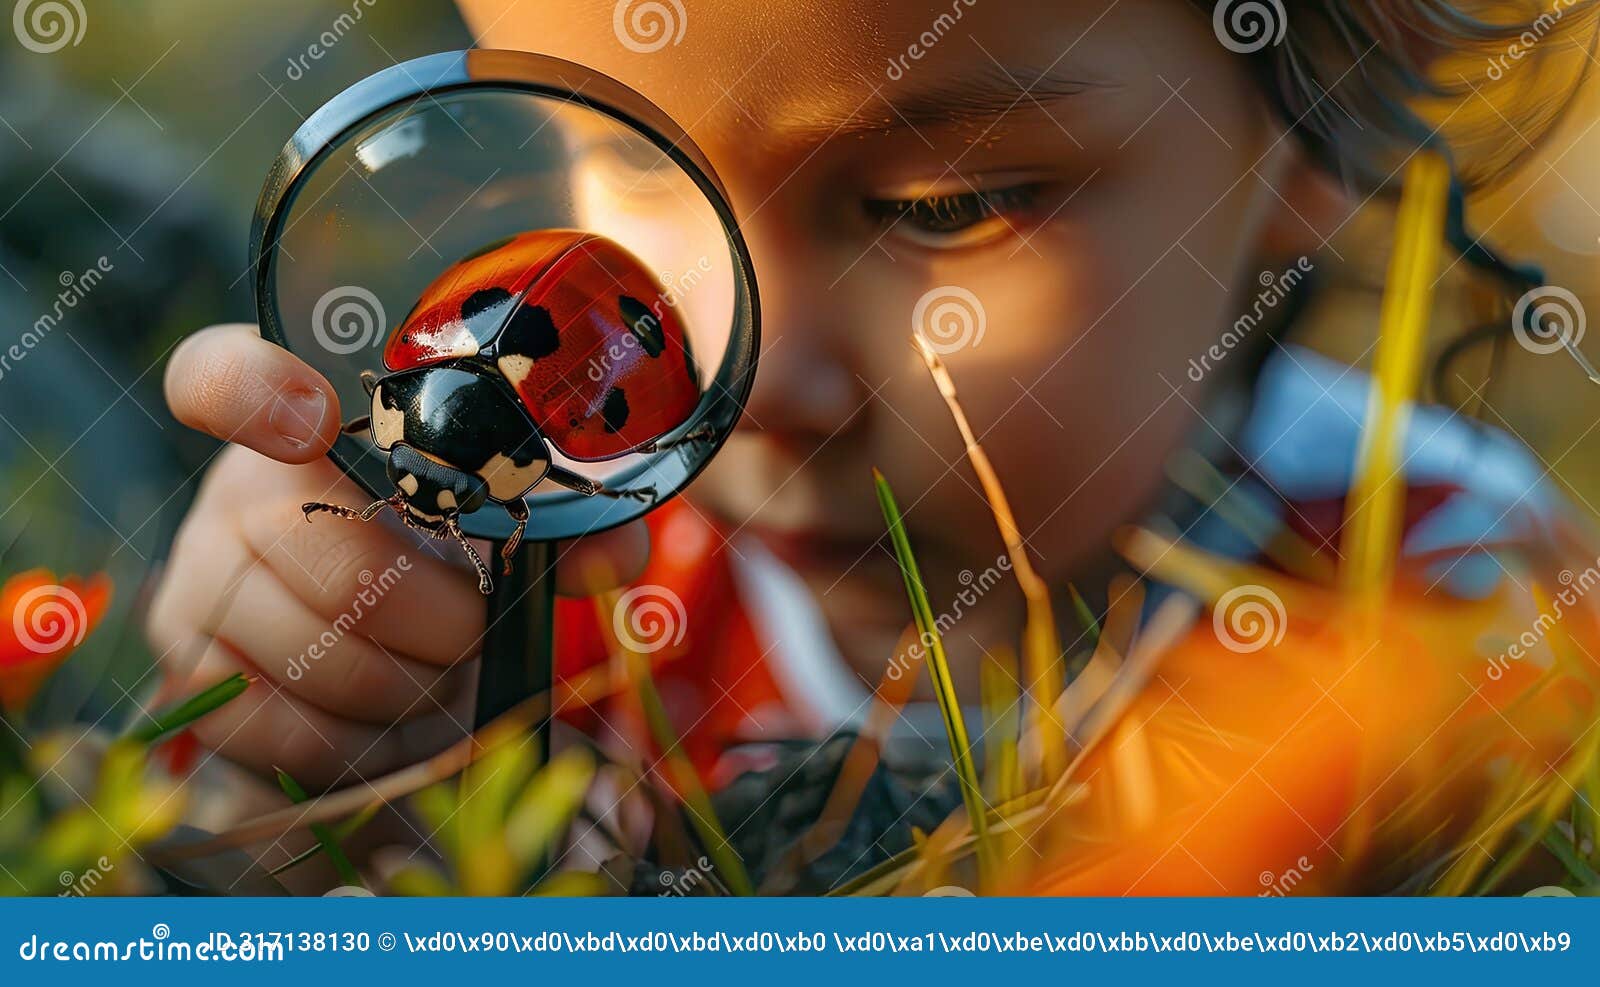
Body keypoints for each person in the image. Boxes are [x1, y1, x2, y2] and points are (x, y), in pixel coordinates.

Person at [148, 1, 1594, 792]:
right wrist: (332, 734)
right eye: (629, 164)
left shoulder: (1459, 591)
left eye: (945, 203)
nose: (752, 378)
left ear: (1324, 117)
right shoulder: (573, 594)